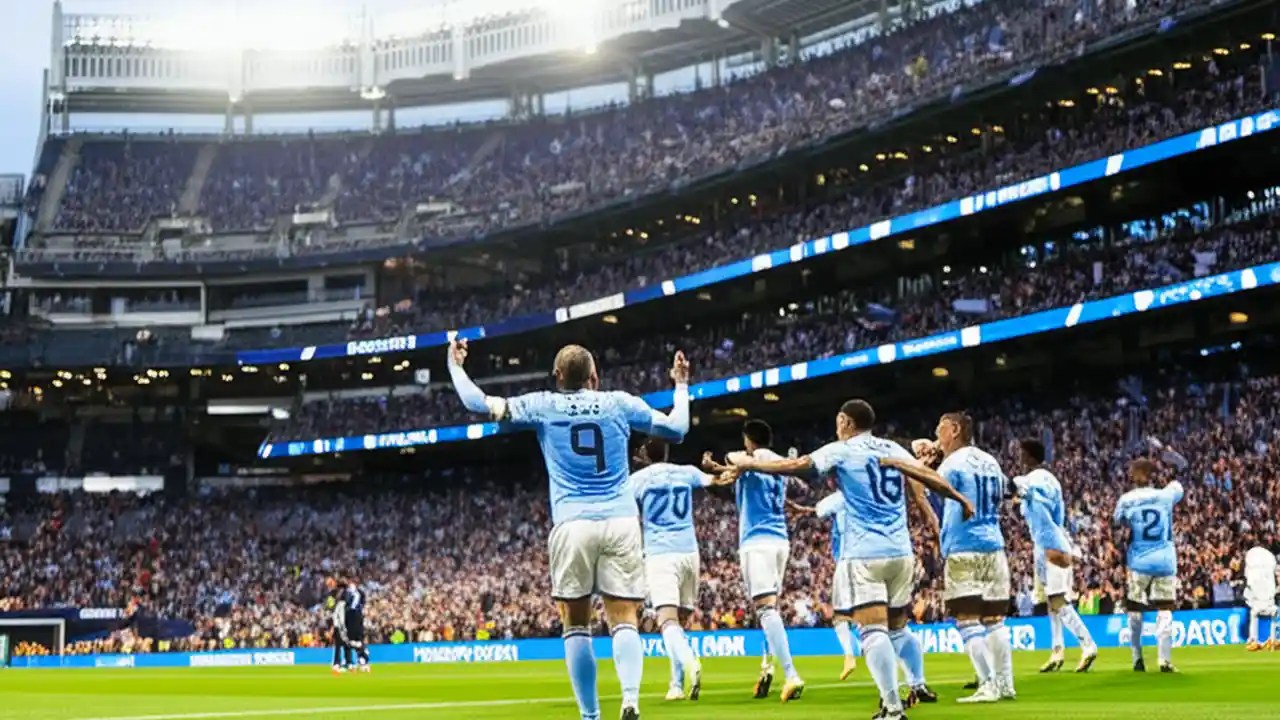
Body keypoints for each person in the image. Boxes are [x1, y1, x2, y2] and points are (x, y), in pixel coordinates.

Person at [448, 339, 691, 720]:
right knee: (624, 616)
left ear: (558, 376)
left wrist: (456, 365)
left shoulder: (543, 404)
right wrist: (680, 383)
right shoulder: (619, 402)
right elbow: (677, 429)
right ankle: (630, 701)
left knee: (576, 623)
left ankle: (590, 715)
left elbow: (478, 403)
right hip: (622, 520)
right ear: (595, 376)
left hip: (573, 523)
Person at [728, 399, 971, 720]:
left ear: (844, 421)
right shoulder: (893, 448)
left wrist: (751, 464)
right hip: (900, 553)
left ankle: (892, 708)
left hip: (864, 555)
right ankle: (918, 683)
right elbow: (927, 477)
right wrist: (959, 498)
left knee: (872, 632)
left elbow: (797, 465)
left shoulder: (841, 450)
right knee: (898, 628)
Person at [703, 419, 805, 702]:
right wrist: (718, 470)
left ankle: (791, 674)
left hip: (756, 541)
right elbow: (731, 470)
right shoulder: (780, 464)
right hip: (780, 541)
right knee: (769, 610)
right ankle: (767, 668)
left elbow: (734, 459)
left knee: (765, 610)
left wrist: (725, 462)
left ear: (749, 439)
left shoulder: (751, 459)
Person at [630, 437, 731, 701]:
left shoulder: (639, 479)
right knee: (680, 622)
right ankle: (675, 685)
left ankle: (690, 662)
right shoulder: (687, 472)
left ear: (646, 455)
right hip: (689, 552)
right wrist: (718, 467)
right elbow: (718, 482)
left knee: (666, 621)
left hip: (661, 554)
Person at [1011, 438, 1098, 673]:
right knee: (1052, 601)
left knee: (1058, 600)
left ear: (1028, 456)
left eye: (1021, 454)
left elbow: (1019, 487)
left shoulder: (1031, 479)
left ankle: (1088, 645)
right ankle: (1057, 651)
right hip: (1052, 541)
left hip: (1050, 544)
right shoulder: (1053, 481)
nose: (1018, 458)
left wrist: (1010, 489)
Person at [1113, 458, 1184, 673]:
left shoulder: (1126, 499)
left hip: (1138, 561)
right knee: (1165, 610)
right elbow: (1178, 486)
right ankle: (1164, 660)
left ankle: (1137, 658)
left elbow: (1117, 523)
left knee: (1135, 610)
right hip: (1164, 560)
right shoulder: (1165, 495)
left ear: (1134, 475)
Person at [788, 491, 860, 681]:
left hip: (848, 560)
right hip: (873, 557)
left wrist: (801, 510)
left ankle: (850, 655)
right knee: (873, 614)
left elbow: (820, 509)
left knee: (840, 617)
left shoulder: (843, 495)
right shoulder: (870, 494)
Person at [1244, 545, 1278, 651]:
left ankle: (1253, 640)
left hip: (1259, 606)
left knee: (1253, 613)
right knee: (1274, 614)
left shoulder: (1255, 575)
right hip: (1270, 606)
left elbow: (1249, 584)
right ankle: (1273, 640)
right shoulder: (1269, 576)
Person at [342, 577, 372, 671]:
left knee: (353, 641)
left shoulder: (348, 593)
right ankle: (357, 661)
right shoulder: (359, 593)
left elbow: (346, 604)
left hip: (352, 617)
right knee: (352, 641)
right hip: (355, 617)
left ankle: (357, 661)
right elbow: (362, 603)